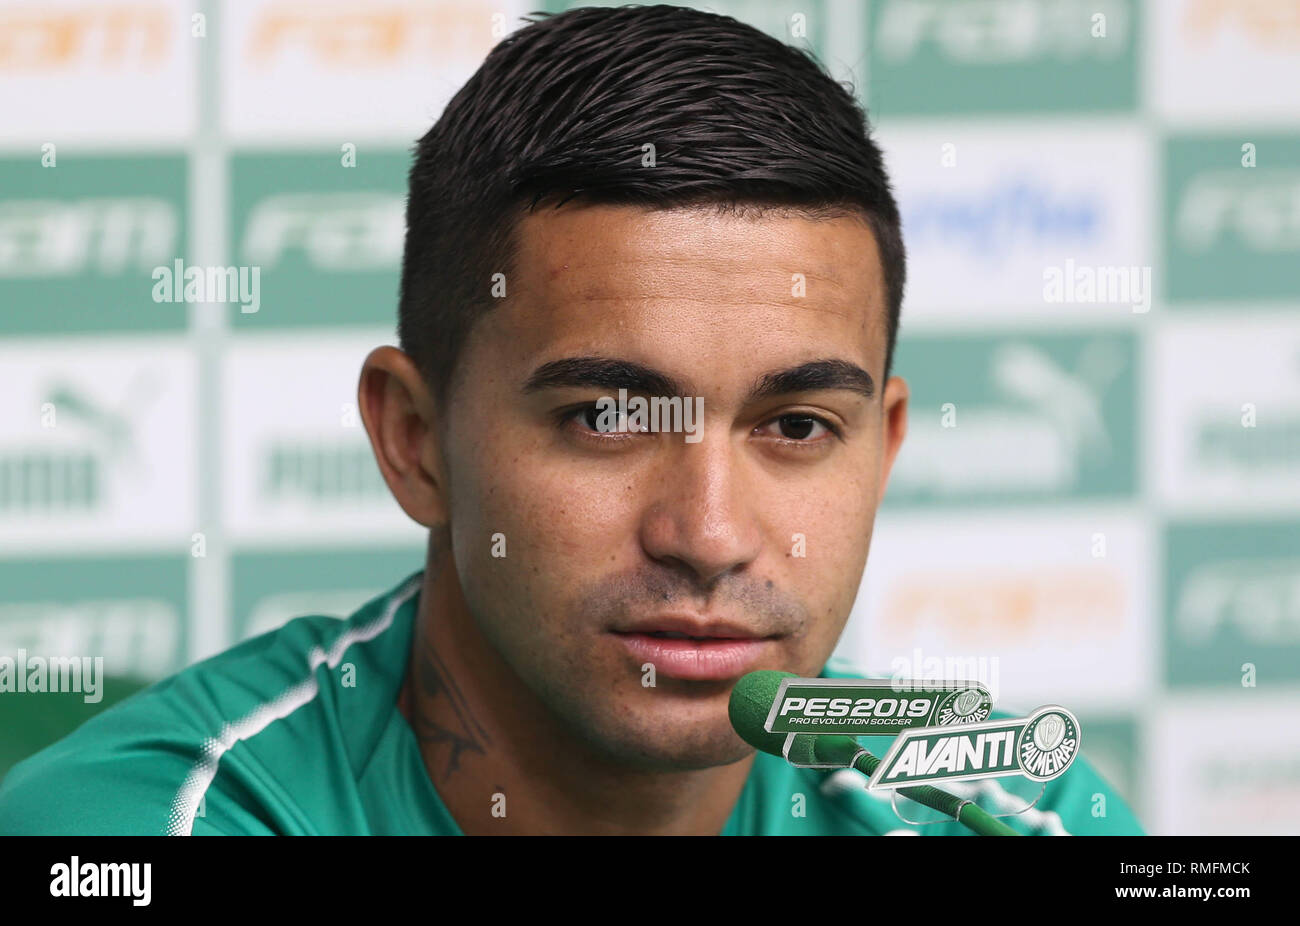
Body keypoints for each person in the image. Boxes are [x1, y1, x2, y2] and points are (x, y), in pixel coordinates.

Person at [0, 4, 1142, 836]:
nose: (706, 532)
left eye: (794, 426)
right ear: (414, 438)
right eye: (607, 414)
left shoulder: (1007, 809)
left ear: (881, 449)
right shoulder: (143, 832)